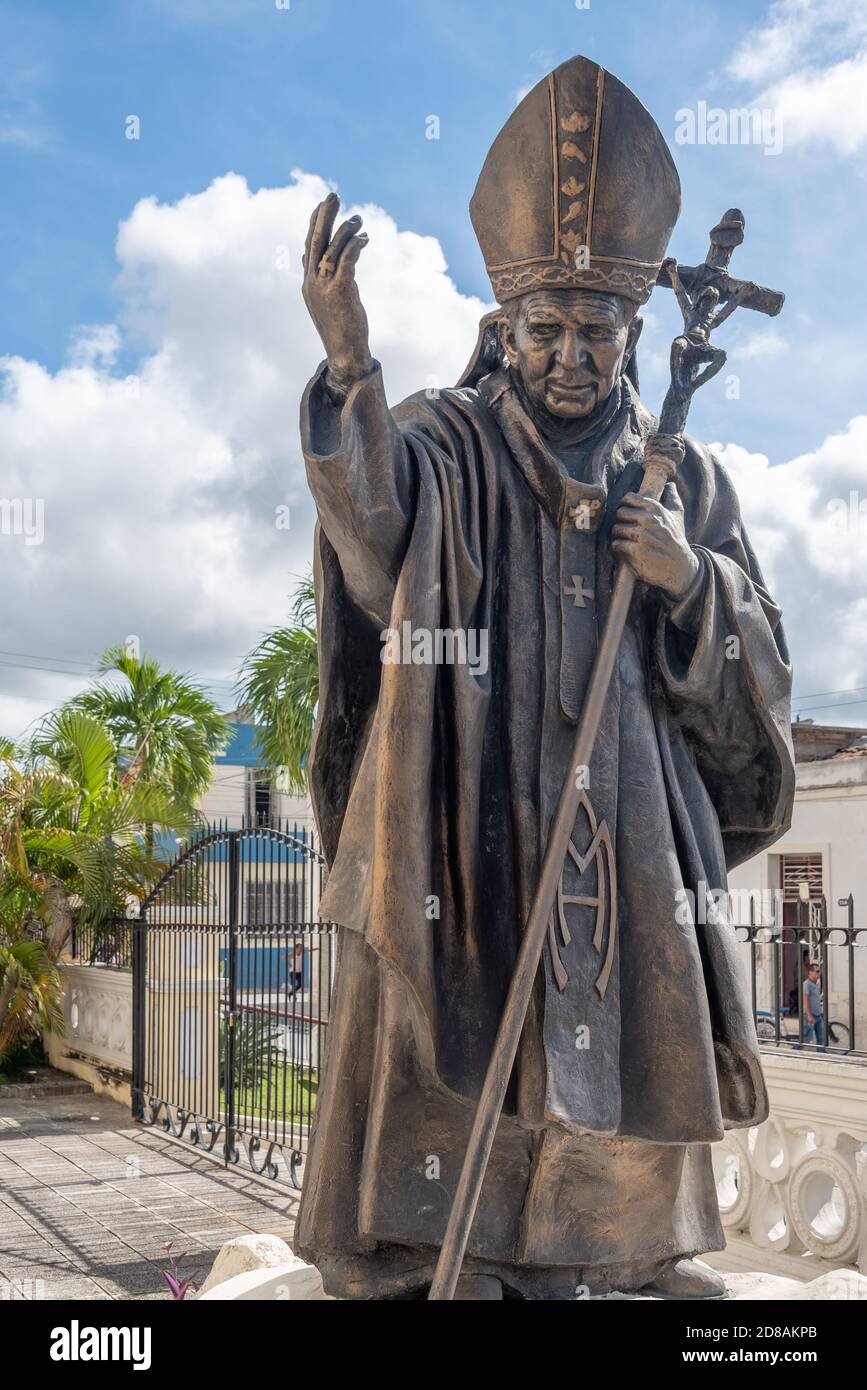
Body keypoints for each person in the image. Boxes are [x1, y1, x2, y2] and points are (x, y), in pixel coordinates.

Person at [295, 55, 794, 1301]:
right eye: (545, 330)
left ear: (635, 333)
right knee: (459, 993)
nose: (571, 355)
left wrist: (687, 577)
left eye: (597, 332)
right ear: (503, 330)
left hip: (628, 803)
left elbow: (762, 656)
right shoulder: (448, 439)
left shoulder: (683, 473)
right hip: (470, 780)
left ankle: (620, 1248)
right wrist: (351, 369)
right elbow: (374, 536)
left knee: (635, 1011)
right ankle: (433, 1246)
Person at [802, 963, 825, 1050]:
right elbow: (805, 1000)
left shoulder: (815, 984)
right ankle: (792, 1053)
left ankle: (821, 1054)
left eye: (819, 971)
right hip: (810, 1016)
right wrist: (809, 1015)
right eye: (817, 971)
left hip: (818, 1016)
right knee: (806, 1039)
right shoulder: (807, 984)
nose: (819, 973)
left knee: (821, 1038)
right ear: (810, 972)